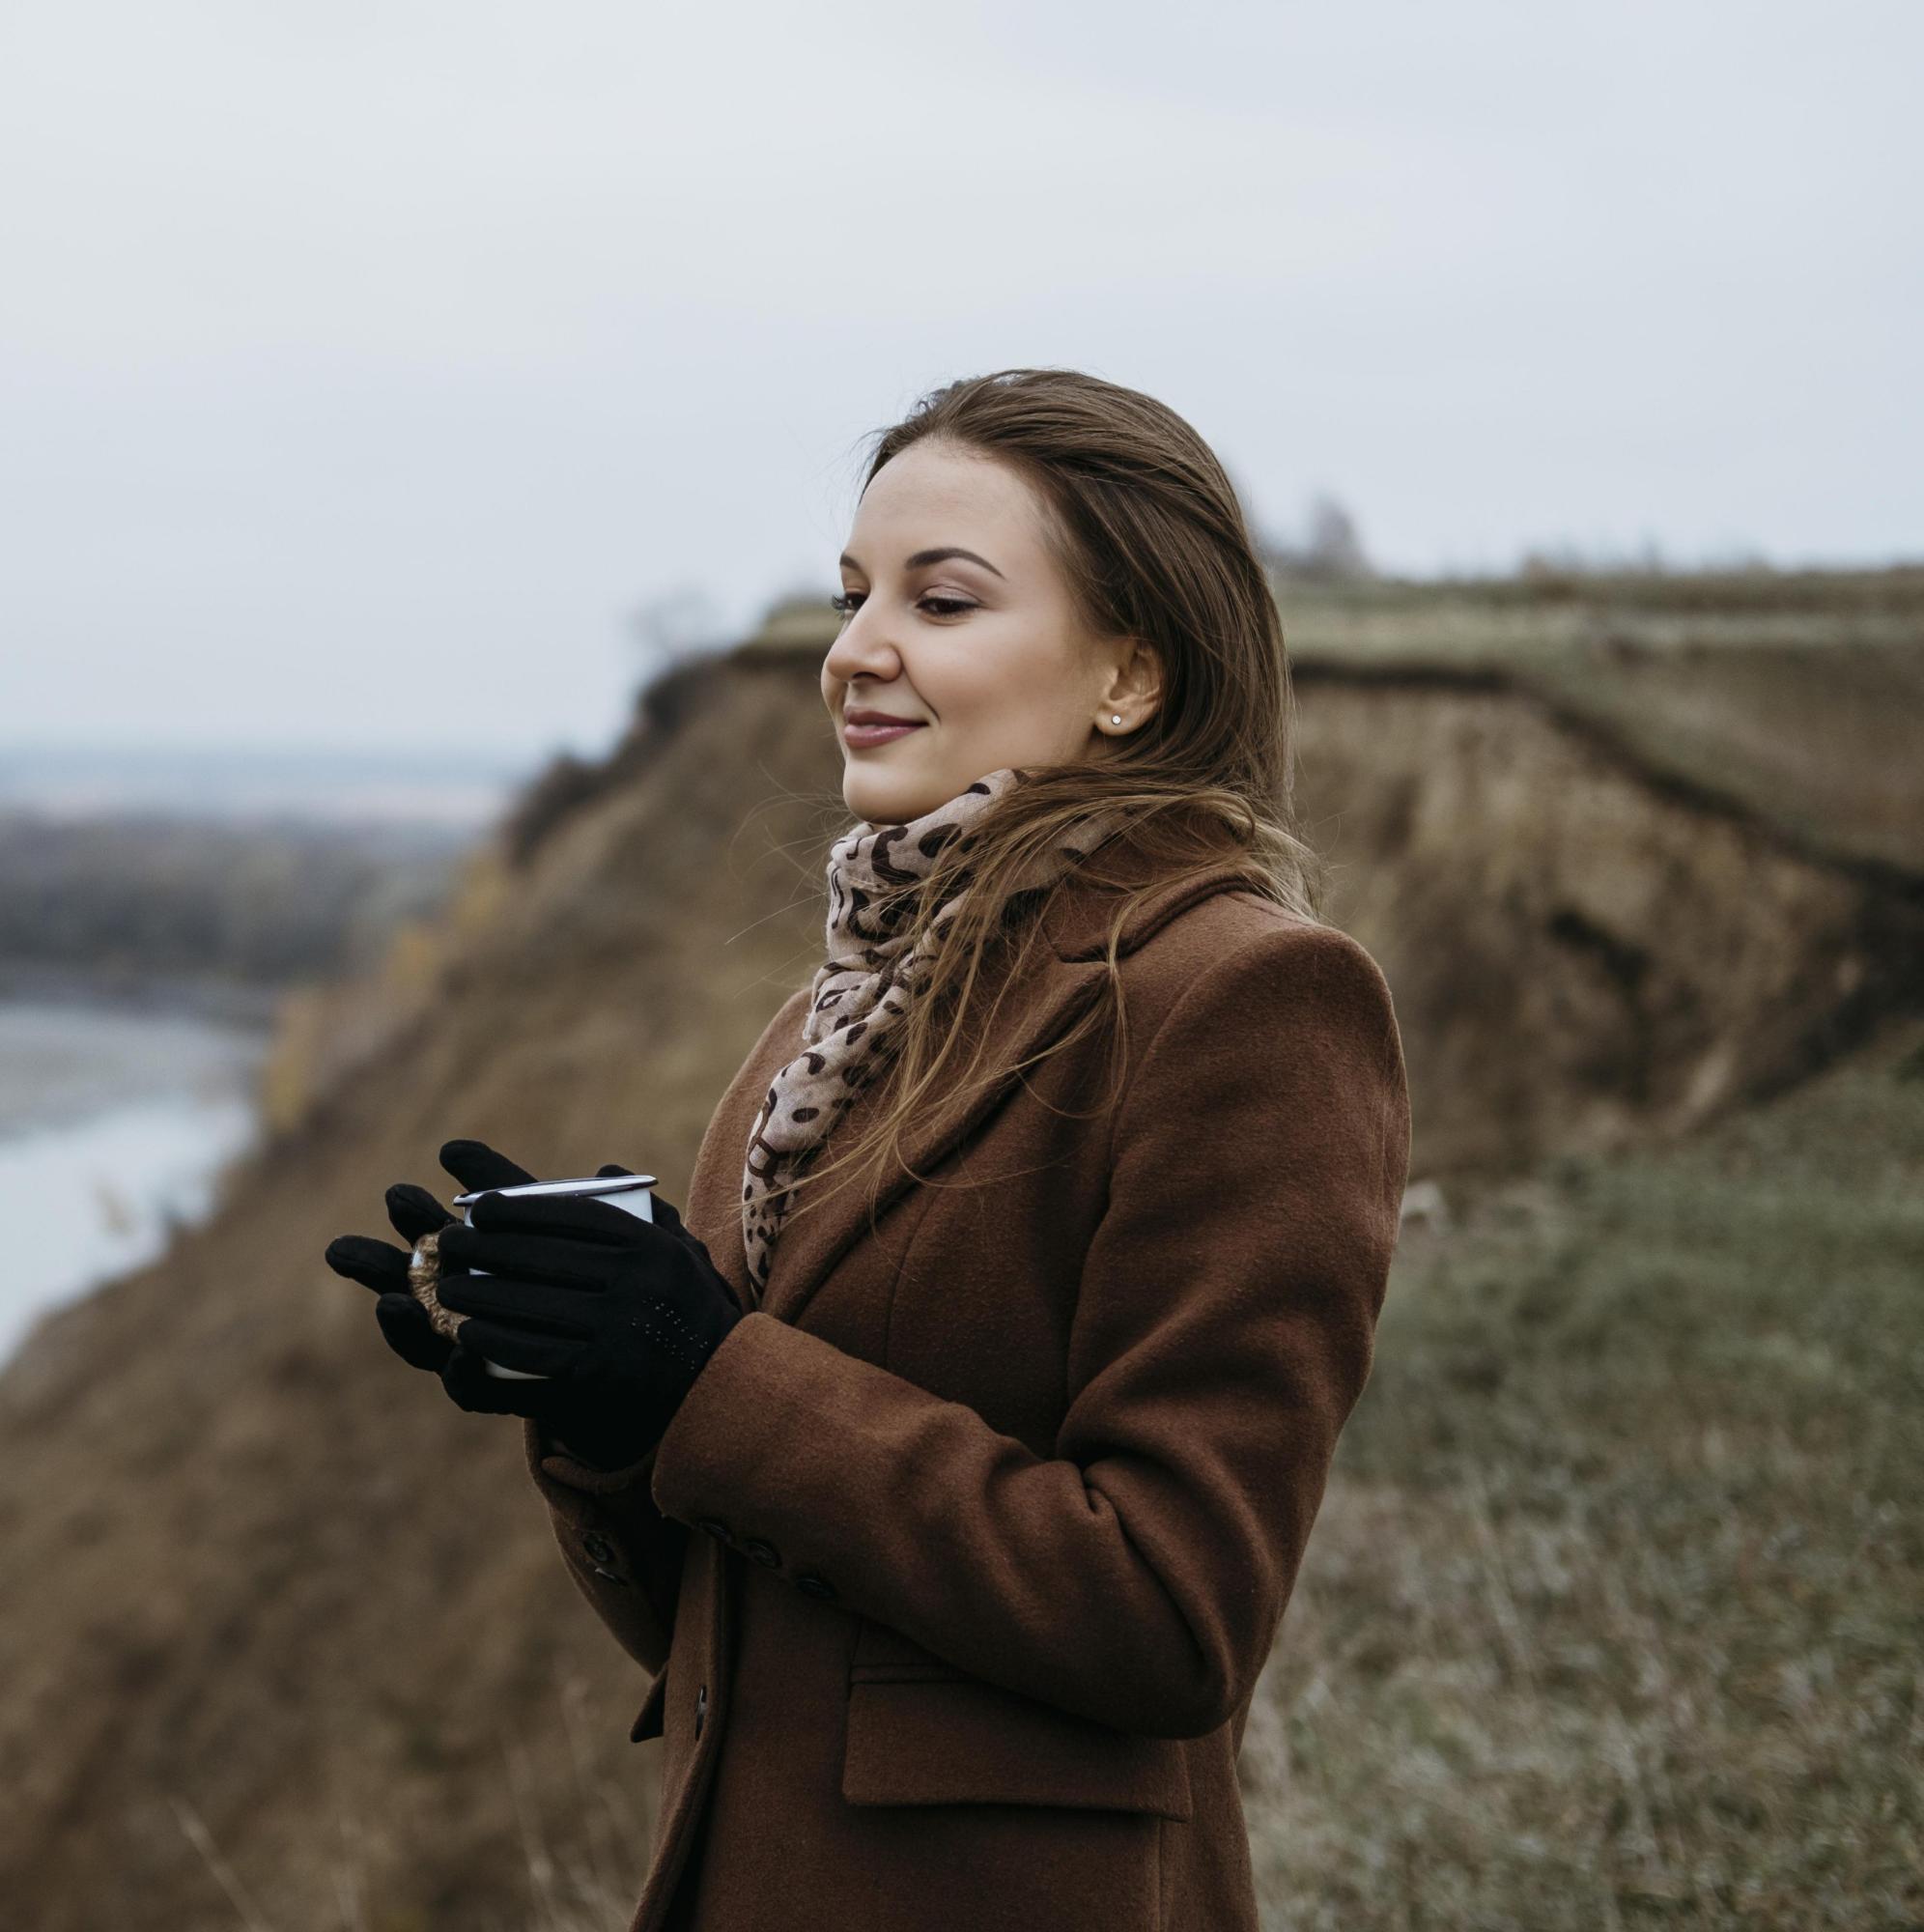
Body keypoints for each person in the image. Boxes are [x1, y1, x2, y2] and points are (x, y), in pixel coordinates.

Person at [325, 366, 1412, 1931]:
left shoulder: (1242, 998)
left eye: (943, 600)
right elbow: (738, 1636)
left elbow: (1176, 1616)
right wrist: (598, 1407)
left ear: (1131, 676)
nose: (855, 651)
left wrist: (712, 1375)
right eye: (851, 596)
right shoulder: (831, 1029)